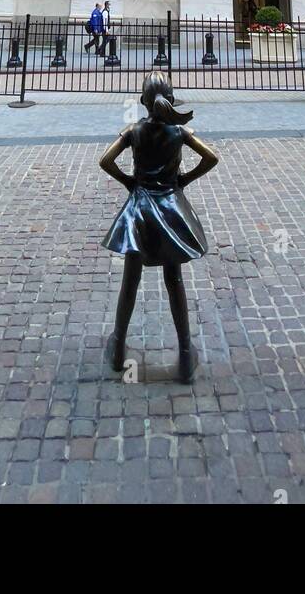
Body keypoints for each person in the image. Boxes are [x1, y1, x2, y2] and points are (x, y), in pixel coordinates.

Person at [99, 74, 219, 383]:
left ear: (143, 101)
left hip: (140, 211)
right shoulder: (178, 131)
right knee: (174, 279)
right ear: (171, 98)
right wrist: (185, 180)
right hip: (170, 207)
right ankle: (183, 353)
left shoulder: (134, 131)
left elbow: (106, 160)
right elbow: (211, 157)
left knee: (130, 280)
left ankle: (117, 347)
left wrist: (129, 182)